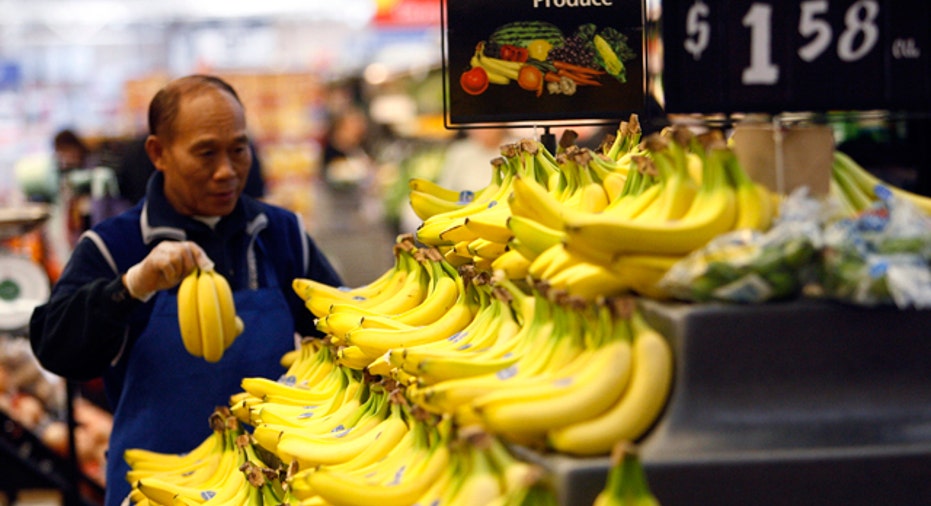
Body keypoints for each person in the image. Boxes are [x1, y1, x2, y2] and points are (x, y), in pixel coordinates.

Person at [28, 74, 343, 506]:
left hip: (270, 484)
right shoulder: (113, 245)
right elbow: (55, 346)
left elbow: (341, 332)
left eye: (238, 149)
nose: (227, 171)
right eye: (206, 153)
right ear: (159, 153)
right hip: (159, 491)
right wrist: (131, 287)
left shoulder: (279, 233)